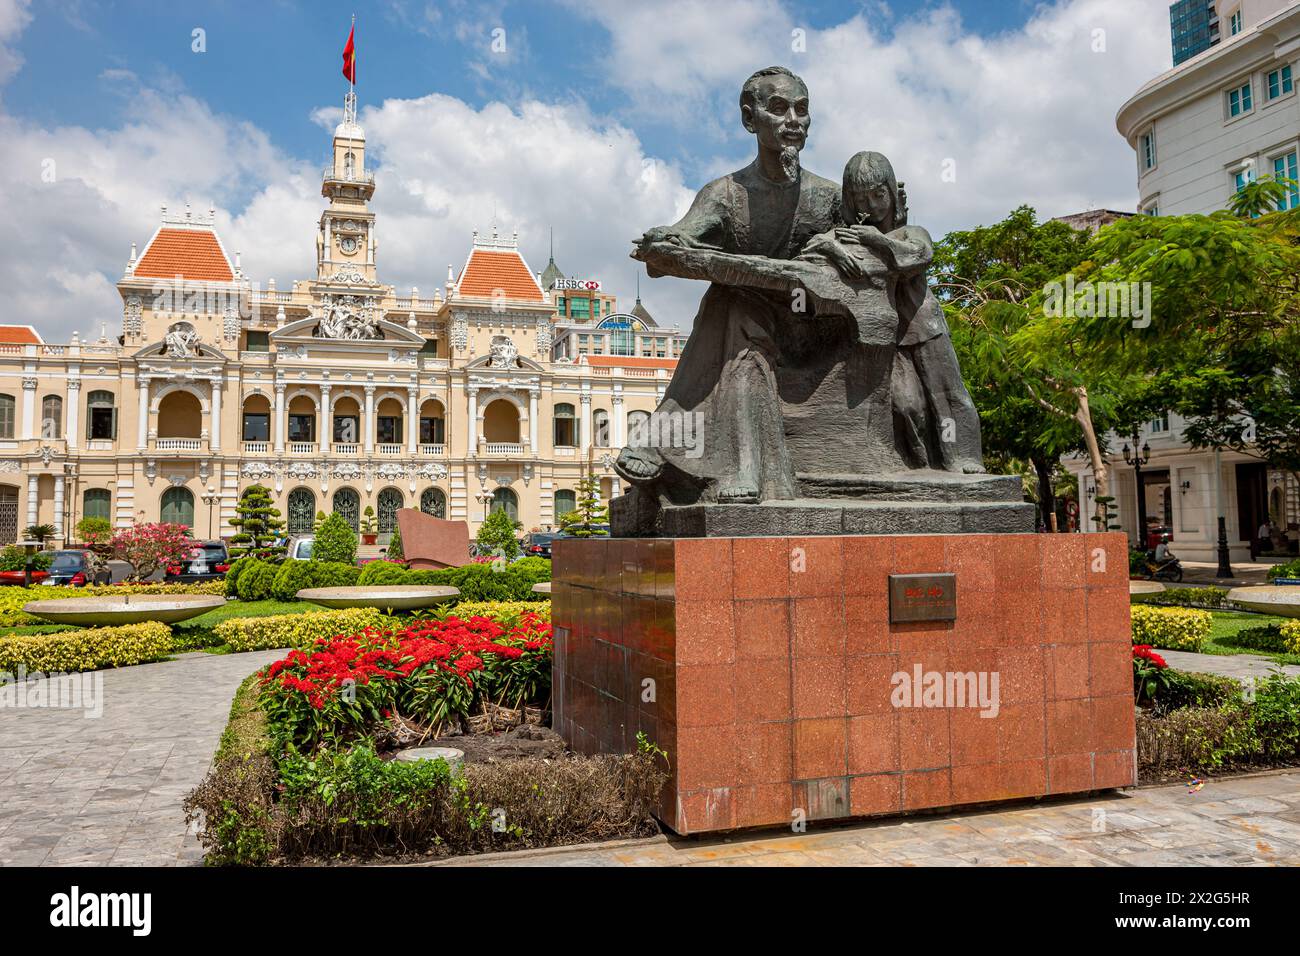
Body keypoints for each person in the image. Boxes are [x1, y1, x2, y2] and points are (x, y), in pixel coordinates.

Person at [615, 66, 844, 504]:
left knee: (734, 305)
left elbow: (872, 255)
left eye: (802, 110)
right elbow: (684, 236)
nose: (793, 120)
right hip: (748, 324)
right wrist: (666, 240)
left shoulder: (828, 197)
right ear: (749, 118)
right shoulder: (724, 193)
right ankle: (743, 468)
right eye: (778, 109)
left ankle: (665, 438)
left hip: (812, 327)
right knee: (733, 303)